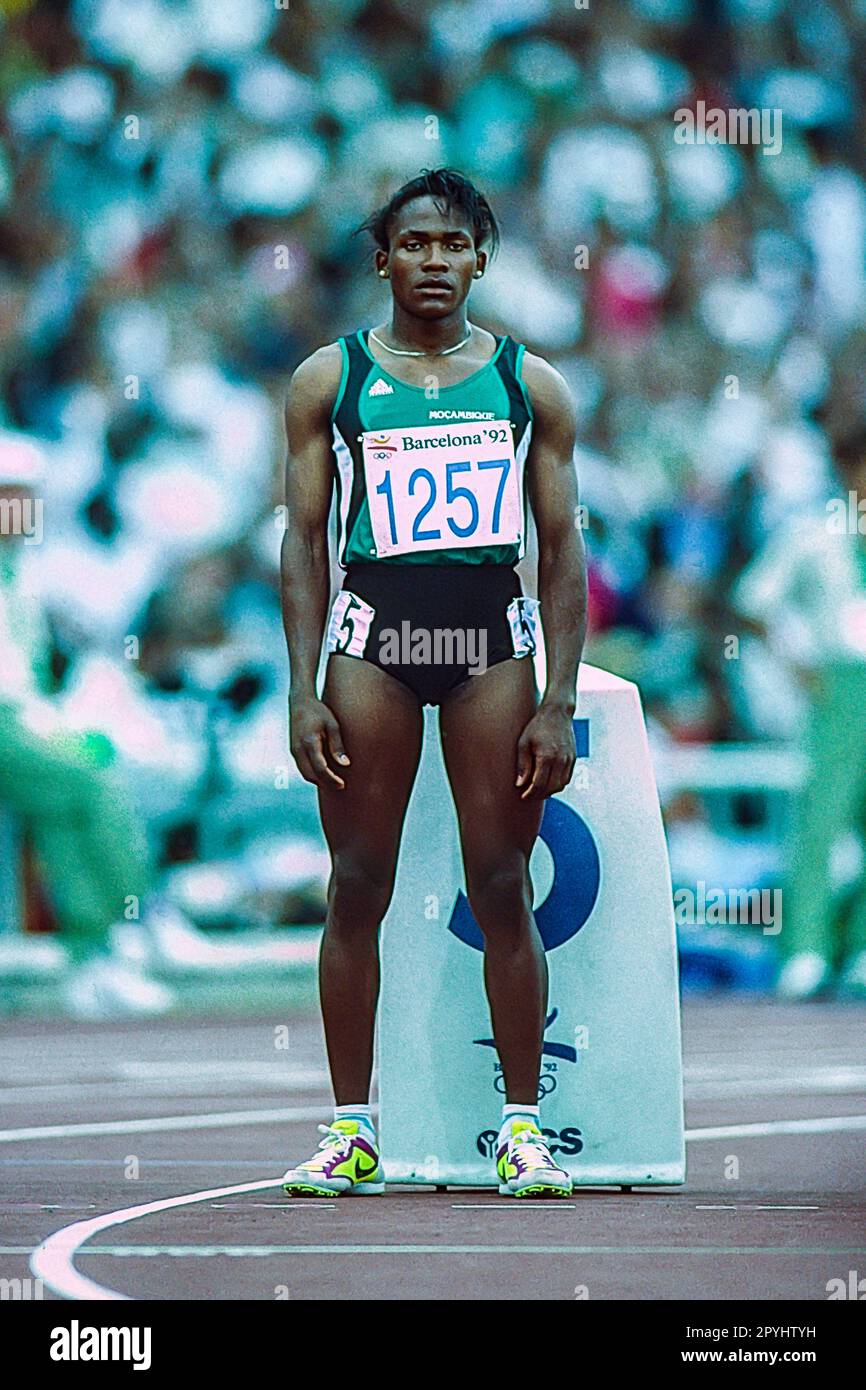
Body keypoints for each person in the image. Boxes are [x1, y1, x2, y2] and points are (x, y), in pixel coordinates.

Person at [280, 169, 587, 1197]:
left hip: (486, 644)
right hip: (373, 638)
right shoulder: (331, 378)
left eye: (452, 245)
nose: (432, 261)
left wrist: (558, 697)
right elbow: (302, 539)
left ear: (480, 259)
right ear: (382, 259)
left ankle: (519, 1129)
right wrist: (301, 686)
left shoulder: (525, 383)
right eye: (412, 244)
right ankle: (351, 1127)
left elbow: (562, 547)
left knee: (502, 886)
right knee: (355, 884)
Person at [733, 425, 866, 999]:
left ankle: (859, 948)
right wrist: (797, 666)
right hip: (838, 684)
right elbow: (753, 602)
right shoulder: (814, 534)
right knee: (820, 822)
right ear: (846, 469)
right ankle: (807, 949)